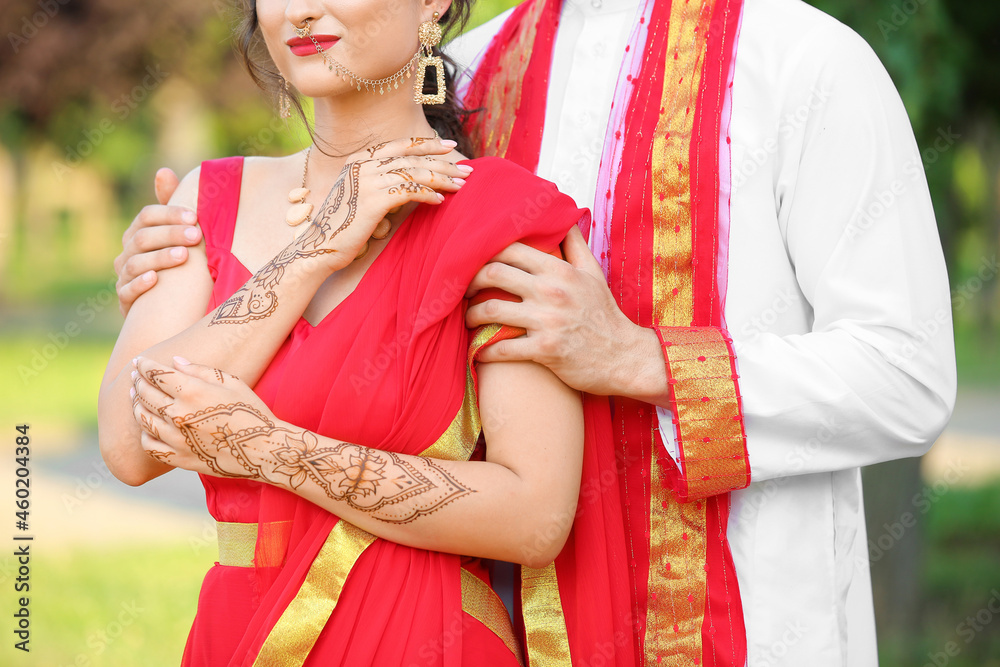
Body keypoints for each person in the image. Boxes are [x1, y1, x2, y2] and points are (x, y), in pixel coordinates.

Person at [114, 0, 958, 665]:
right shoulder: (478, 71)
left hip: (744, 603)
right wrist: (186, 265)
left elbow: (907, 374)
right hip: (521, 617)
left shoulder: (800, 60)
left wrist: (642, 358)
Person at [98, 1, 635, 665]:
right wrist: (317, 247)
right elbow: (129, 444)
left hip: (424, 637)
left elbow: (534, 514)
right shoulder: (209, 197)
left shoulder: (496, 216)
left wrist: (272, 449)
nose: (300, 10)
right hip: (238, 634)